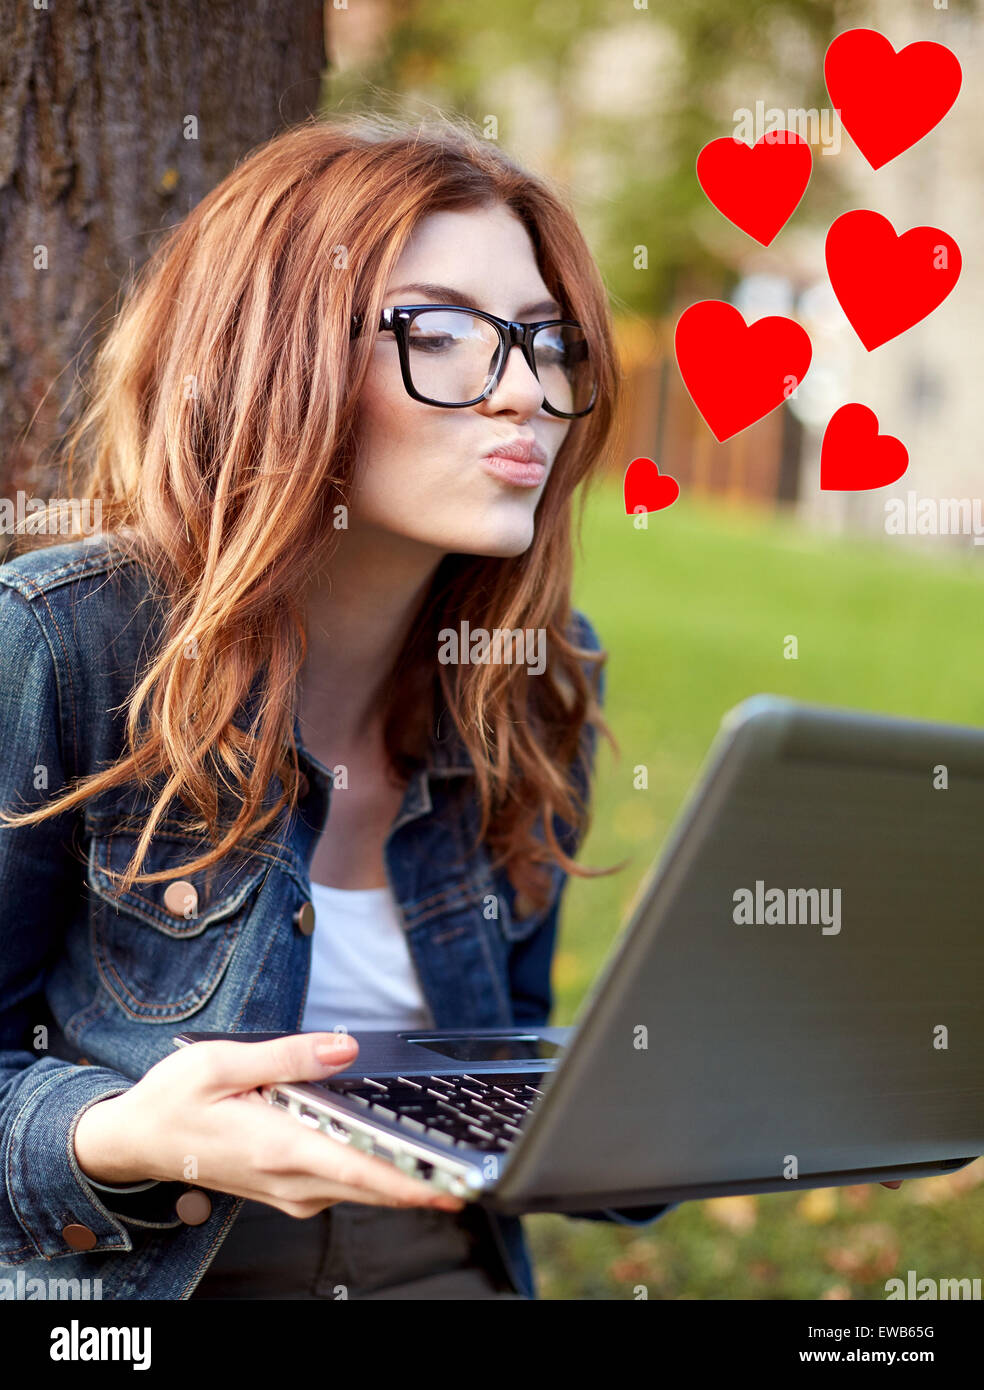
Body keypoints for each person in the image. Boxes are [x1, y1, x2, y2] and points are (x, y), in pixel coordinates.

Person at [0, 111, 675, 1300]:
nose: (523, 390)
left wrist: (756, 1107)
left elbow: (513, 1097)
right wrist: (120, 1136)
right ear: (274, 351)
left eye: (548, 343)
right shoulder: (65, 643)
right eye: (448, 333)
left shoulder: (532, 676)